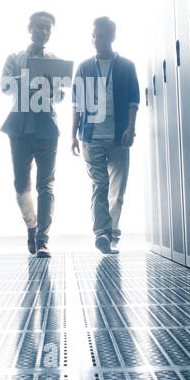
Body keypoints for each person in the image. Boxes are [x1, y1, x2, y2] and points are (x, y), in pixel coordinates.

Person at [71, 16, 140, 254]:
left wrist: (131, 129)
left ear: (111, 37)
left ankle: (113, 233)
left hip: (118, 136)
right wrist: (73, 135)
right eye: (93, 35)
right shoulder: (84, 68)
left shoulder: (126, 66)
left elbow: (133, 102)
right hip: (91, 136)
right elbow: (77, 104)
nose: (96, 40)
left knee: (117, 191)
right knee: (99, 185)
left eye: (100, 35)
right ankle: (101, 233)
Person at [0, 11, 66, 257]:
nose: (44, 32)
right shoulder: (15, 58)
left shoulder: (55, 61)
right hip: (19, 130)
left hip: (47, 129)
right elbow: (4, 86)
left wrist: (51, 89)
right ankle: (32, 227)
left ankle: (43, 240)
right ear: (30, 29)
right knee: (21, 184)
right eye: (40, 27)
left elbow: (60, 96)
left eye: (48, 28)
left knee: (46, 186)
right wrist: (27, 78)